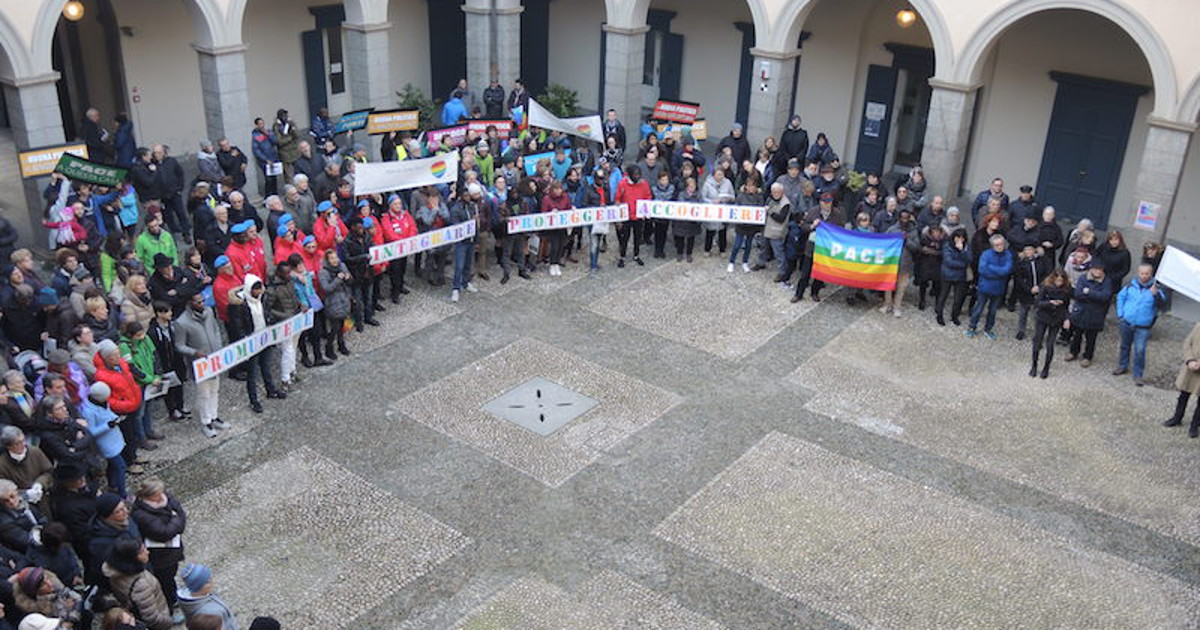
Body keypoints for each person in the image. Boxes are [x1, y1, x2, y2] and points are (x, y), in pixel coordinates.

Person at [226, 275, 285, 414]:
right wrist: (245, 340)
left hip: (264, 338)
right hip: (252, 342)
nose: (259, 292)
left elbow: (266, 314)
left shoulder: (262, 299)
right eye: (256, 290)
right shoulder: (240, 304)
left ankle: (270, 390)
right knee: (252, 373)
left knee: (266, 366)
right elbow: (238, 326)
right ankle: (254, 400)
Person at [130, 477, 186, 621]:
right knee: (164, 581)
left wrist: (175, 520)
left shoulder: (162, 498)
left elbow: (178, 510)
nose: (163, 496)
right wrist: (176, 519)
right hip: (160, 556)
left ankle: (173, 596)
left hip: (169, 551)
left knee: (170, 576)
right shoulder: (141, 515)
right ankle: (170, 609)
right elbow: (164, 533)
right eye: (159, 494)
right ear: (149, 496)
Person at [174, 292, 227, 438]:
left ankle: (214, 416)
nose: (202, 304)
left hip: (214, 359)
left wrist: (219, 347)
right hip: (199, 364)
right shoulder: (181, 322)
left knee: (215, 390)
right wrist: (194, 352)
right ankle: (206, 421)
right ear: (190, 303)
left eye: (203, 301)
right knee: (204, 393)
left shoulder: (209, 312)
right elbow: (179, 345)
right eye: (198, 302)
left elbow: (216, 330)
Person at [1113, 263, 1167, 386]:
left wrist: (1156, 294)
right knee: (1124, 346)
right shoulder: (1130, 285)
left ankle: (1138, 374)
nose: (1144, 276)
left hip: (1143, 326)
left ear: (1151, 274)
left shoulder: (1156, 288)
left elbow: (1163, 306)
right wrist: (1120, 314)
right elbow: (1120, 298)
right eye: (1142, 273)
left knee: (1140, 350)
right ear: (1138, 273)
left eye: (1147, 273)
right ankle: (1122, 366)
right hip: (1126, 322)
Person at [103, 539, 173, 630]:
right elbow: (152, 618)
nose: (147, 552)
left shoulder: (114, 570)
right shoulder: (141, 585)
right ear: (132, 558)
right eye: (142, 551)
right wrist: (168, 622)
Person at [86, 492, 141, 586]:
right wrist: (140, 563)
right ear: (107, 516)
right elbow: (110, 569)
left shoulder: (125, 520)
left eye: (124, 507)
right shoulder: (100, 543)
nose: (126, 511)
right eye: (118, 511)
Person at [966, 234, 1013, 339]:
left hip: (998, 288)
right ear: (992, 245)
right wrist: (999, 272)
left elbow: (1007, 270)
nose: (1000, 247)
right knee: (979, 308)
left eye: (1001, 244)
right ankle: (972, 327)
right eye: (997, 245)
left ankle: (988, 329)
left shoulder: (1008, 254)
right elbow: (982, 270)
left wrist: (992, 268)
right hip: (985, 287)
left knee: (992, 311)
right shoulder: (986, 254)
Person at [1064, 264, 1112, 367]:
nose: (1098, 272)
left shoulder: (1107, 282)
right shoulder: (1083, 278)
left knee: (1091, 338)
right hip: (1081, 312)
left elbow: (1105, 297)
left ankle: (1087, 357)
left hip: (1095, 314)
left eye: (1100, 270)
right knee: (1076, 335)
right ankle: (1073, 352)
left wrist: (1089, 292)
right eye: (1095, 269)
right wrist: (1094, 296)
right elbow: (1077, 294)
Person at [1029, 269, 1071, 379]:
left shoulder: (1066, 290)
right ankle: (1034, 365)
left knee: (1050, 345)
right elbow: (1038, 302)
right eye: (1057, 280)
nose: (1059, 282)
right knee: (1037, 342)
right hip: (1043, 318)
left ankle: (1046, 367)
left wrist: (1067, 319)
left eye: (1061, 281)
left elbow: (1065, 307)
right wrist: (1050, 303)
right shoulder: (1046, 287)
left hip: (1056, 319)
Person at [1163, 322, 1200, 436]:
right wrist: (1190, 359)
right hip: (1190, 368)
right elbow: (1187, 343)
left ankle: (1194, 426)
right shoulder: (1199, 326)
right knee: (1183, 395)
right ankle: (1177, 418)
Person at [177, 564, 239, 630]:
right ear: (201, 586)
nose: (213, 581)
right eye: (209, 581)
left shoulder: (194, 598)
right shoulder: (209, 614)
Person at [1010, 244, 1050, 340]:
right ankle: (1021, 330)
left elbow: (1046, 274)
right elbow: (1019, 278)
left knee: (1037, 313)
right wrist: (1029, 288)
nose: (1028, 252)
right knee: (1023, 311)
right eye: (1026, 250)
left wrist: (1040, 286)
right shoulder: (1020, 263)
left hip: (1039, 290)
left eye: (1030, 249)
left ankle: (1038, 333)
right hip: (1025, 291)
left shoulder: (1041, 261)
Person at [615, 165, 651, 268]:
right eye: (635, 175)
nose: (637, 176)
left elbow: (647, 197)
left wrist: (645, 211)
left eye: (639, 175)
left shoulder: (643, 184)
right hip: (627, 216)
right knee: (624, 238)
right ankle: (622, 256)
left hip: (638, 216)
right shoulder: (622, 184)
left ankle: (636, 255)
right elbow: (618, 198)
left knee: (637, 237)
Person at [318, 249, 351, 359]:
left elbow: (350, 280)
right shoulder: (323, 272)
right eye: (332, 258)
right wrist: (338, 279)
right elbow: (326, 288)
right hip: (333, 302)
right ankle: (329, 347)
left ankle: (341, 344)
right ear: (327, 260)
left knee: (342, 325)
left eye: (336, 257)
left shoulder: (342, 266)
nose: (335, 260)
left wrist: (348, 277)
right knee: (334, 327)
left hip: (344, 299)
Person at [251, 118, 278, 197]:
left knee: (274, 178)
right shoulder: (255, 135)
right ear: (256, 125)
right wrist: (266, 160)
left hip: (273, 158)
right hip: (264, 161)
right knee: (268, 179)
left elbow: (275, 141)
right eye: (260, 124)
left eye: (262, 123)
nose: (262, 125)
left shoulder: (269, 132)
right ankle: (268, 195)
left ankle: (275, 194)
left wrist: (268, 135)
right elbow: (256, 150)